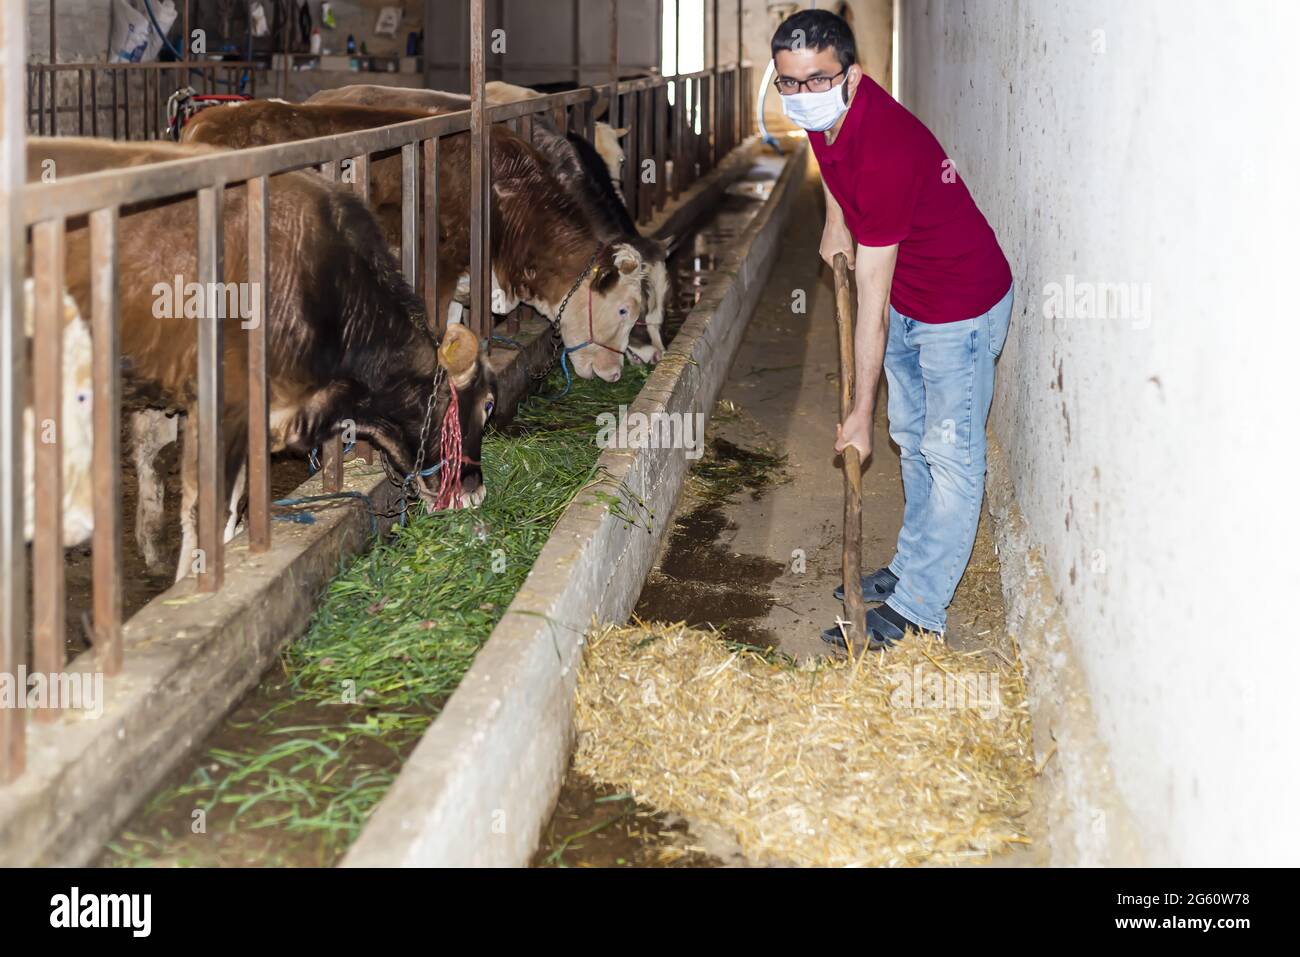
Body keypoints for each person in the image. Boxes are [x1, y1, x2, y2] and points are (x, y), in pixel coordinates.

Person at [770, 9, 1015, 650]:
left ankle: (920, 609)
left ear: (852, 77)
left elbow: (870, 303)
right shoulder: (827, 112)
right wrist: (834, 218)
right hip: (914, 294)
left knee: (952, 457)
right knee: (911, 437)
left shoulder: (886, 149)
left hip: (958, 308)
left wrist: (858, 410)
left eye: (816, 81)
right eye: (788, 83)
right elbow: (825, 148)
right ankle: (908, 567)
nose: (801, 96)